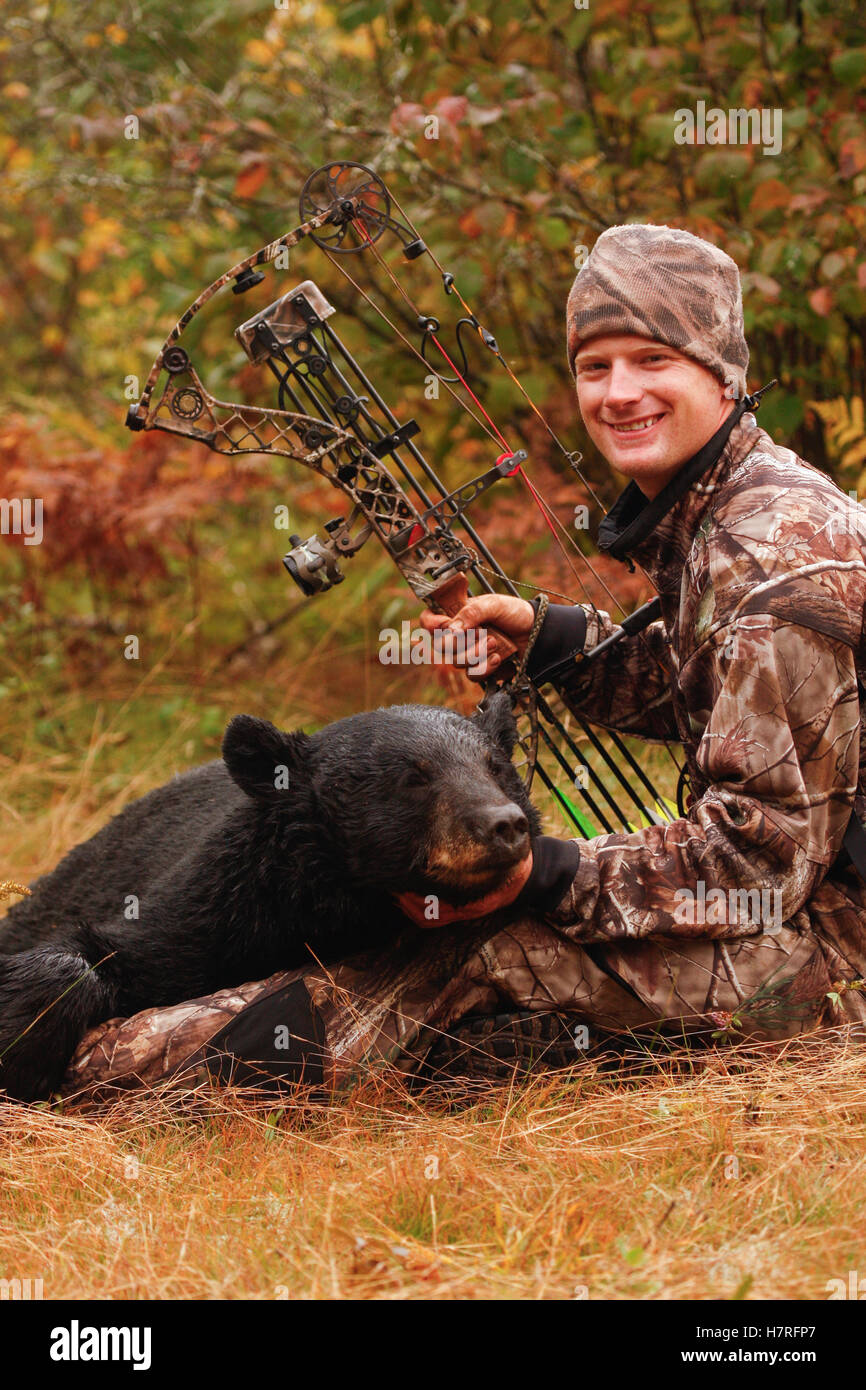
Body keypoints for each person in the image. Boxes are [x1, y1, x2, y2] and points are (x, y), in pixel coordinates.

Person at [64, 224, 866, 1101]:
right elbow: (719, 694)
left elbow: (758, 867)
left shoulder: (773, 562)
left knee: (469, 952)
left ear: (722, 373)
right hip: (809, 910)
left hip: (832, 955)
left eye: (652, 361)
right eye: (595, 368)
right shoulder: (741, 507)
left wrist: (546, 875)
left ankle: (108, 1068)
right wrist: (557, 642)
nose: (619, 393)